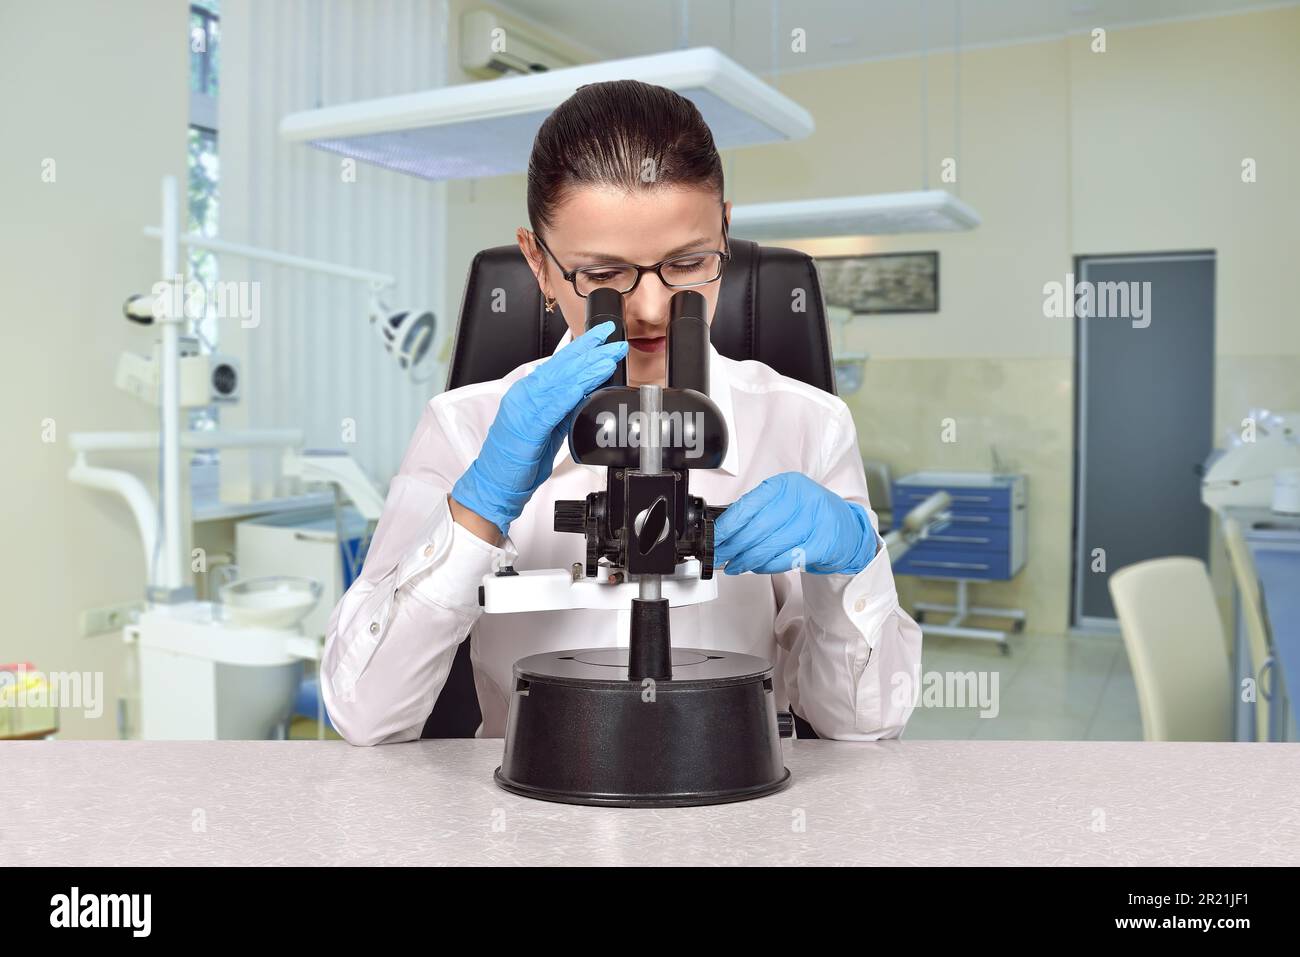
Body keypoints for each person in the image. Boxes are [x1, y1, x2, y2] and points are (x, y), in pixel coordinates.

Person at [322, 79, 922, 746]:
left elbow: (867, 725)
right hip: (522, 819)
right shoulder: (464, 425)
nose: (651, 307)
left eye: (688, 263)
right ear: (539, 266)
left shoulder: (806, 423)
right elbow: (365, 715)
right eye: (603, 276)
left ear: (724, 231)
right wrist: (477, 509)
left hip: (736, 808)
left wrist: (851, 562)